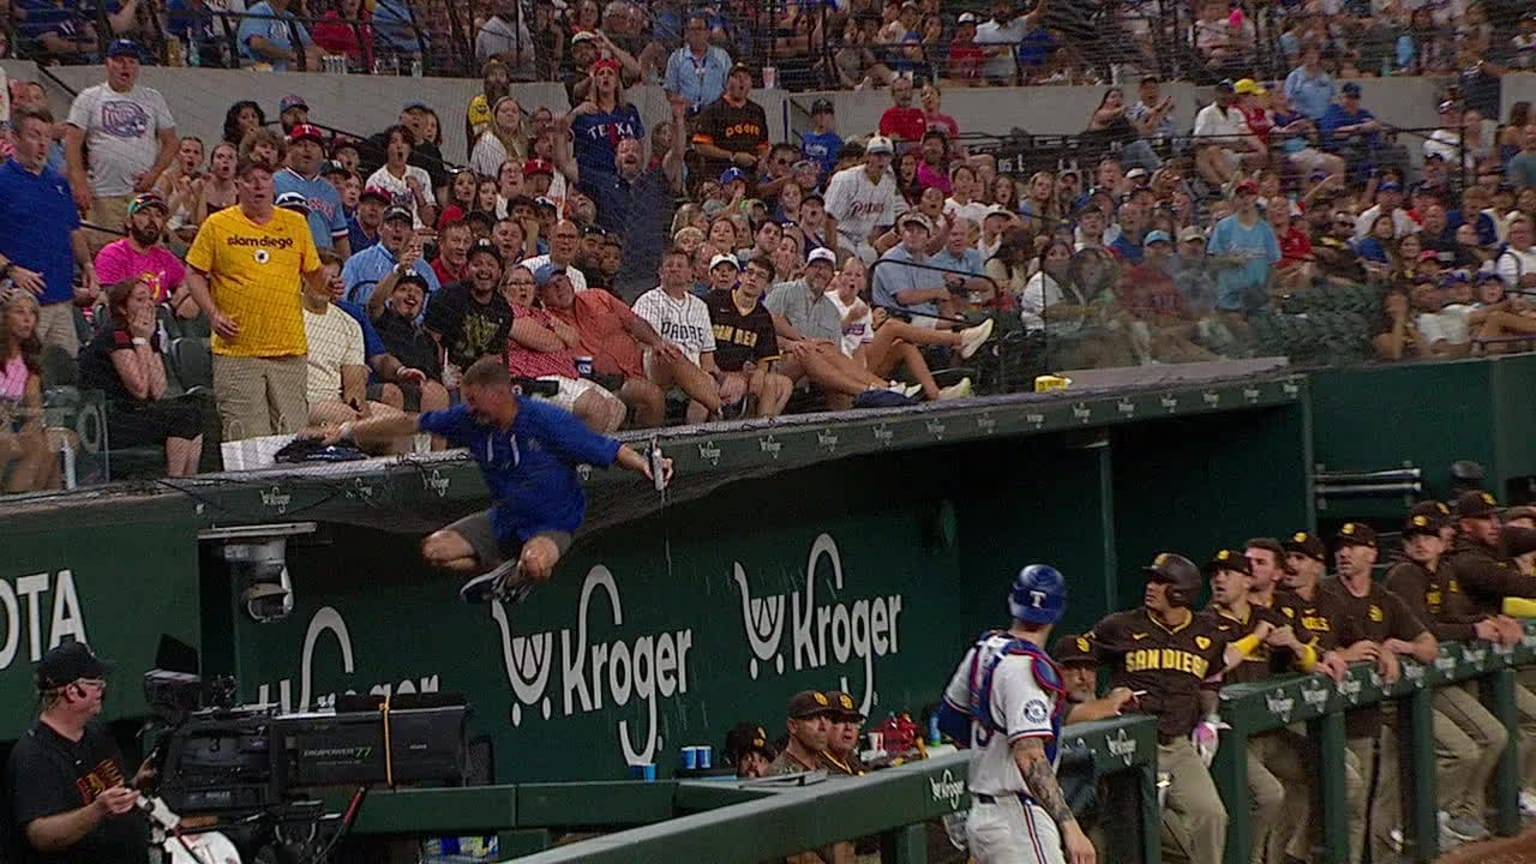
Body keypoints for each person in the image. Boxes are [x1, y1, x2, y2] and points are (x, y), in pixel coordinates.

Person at [308, 355, 671, 601]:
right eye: (465, 400)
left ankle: (516, 581)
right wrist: (343, 431)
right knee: (435, 551)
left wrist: (646, 466)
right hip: (503, 518)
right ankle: (500, 569)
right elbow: (408, 422)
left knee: (536, 563)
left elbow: (609, 449)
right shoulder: (469, 420)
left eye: (475, 400)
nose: (469, 408)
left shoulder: (546, 420)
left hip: (552, 522)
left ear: (501, 395)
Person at [938, 564, 1096, 864]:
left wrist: (991, 762)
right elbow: (1029, 755)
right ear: (1058, 611)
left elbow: (951, 721)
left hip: (983, 819)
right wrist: (1070, 826)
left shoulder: (984, 649)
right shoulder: (1026, 669)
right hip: (1018, 818)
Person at [1088, 554, 1235, 864]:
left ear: (1181, 592)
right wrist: (1095, 705)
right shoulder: (1120, 626)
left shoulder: (1208, 632)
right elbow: (1078, 661)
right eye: (1151, 580)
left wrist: (1210, 719)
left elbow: (1211, 678)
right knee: (1135, 827)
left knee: (1212, 815)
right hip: (1132, 744)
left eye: (1160, 581)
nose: (1151, 587)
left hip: (1178, 744)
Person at [1382, 509, 1516, 845]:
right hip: (1405, 683)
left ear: (1441, 543)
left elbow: (1456, 615)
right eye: (1413, 539)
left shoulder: (1440, 572)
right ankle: (1423, 817)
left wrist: (1495, 619)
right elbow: (1424, 629)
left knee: (1495, 735)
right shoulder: (1405, 576)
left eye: (1427, 537)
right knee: (1463, 751)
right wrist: (1474, 628)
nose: (1421, 544)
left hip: (1432, 679)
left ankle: (1456, 814)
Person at [185, 153, 325, 441]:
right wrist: (212, 314)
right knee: (247, 439)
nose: (258, 186)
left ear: (273, 184)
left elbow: (314, 273)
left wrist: (329, 283)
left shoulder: (295, 224)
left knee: (293, 437)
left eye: (264, 179)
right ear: (238, 184)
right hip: (238, 350)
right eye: (250, 180)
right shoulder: (217, 224)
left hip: (288, 348)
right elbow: (194, 272)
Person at [1325, 522, 1439, 863]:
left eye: (1354, 546)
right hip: (1325, 718)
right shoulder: (1326, 593)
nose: (1344, 553)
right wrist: (1373, 649)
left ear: (1372, 553)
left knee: (1360, 805)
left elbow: (1430, 647)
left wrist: (1400, 645)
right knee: (1335, 804)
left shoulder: (1383, 599)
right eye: (1340, 547)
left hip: (1365, 718)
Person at [6, 641, 151, 864]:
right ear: (73, 691)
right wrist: (96, 811)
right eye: (96, 683)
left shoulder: (97, 734)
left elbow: (112, 792)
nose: (102, 689)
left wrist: (136, 784)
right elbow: (40, 834)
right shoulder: (33, 755)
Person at [1, 106, 101, 358]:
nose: (43, 143)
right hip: (22, 303)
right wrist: (11, 269)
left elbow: (73, 230)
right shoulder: (3, 181)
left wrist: (88, 266)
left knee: (66, 372)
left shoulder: (57, 183)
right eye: (34, 135)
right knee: (21, 376)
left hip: (62, 300)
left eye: (47, 136)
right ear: (13, 137)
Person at [79, 277, 204, 477]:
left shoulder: (146, 333)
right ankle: (176, 485)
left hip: (134, 411)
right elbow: (139, 389)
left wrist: (145, 339)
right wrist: (140, 340)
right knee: (182, 419)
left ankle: (189, 482)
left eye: (149, 299)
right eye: (139, 299)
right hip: (107, 418)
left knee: (194, 412)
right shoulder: (115, 334)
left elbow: (158, 389)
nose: (148, 305)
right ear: (122, 308)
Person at [64, 40, 178, 252]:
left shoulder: (153, 98)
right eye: (119, 61)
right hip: (104, 192)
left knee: (148, 252)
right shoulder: (89, 97)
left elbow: (171, 141)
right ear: (107, 64)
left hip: (143, 194)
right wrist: (78, 182)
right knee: (106, 251)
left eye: (131, 61)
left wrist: (154, 174)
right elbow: (72, 141)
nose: (125, 66)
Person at [537, 261, 668, 428]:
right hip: (602, 382)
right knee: (651, 394)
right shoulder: (546, 321)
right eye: (550, 286)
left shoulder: (598, 296)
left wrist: (657, 343)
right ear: (541, 296)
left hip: (638, 367)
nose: (559, 288)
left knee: (672, 355)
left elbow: (633, 322)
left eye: (561, 281)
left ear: (570, 281)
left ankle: (711, 410)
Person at [423, 238, 514, 383]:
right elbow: (430, 341)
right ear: (466, 269)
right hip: (439, 372)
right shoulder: (447, 296)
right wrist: (440, 373)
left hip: (475, 376)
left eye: (490, 265)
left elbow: (490, 356)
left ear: (500, 273)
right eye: (477, 264)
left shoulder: (503, 311)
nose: (484, 270)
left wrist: (470, 379)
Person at [94, 193, 193, 320]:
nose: (152, 220)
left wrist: (186, 296)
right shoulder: (112, 254)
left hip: (157, 321)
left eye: (158, 215)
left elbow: (188, 283)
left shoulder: (164, 257)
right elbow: (112, 302)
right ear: (129, 222)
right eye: (144, 213)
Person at [0, 290, 60, 493]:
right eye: (19, 312)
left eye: (32, 313)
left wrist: (34, 421)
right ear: (4, 316)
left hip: (16, 425)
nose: (27, 319)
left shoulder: (30, 360)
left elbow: (33, 404)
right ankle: (17, 505)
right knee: (34, 445)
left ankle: (45, 504)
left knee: (53, 442)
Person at [345, 205, 441, 312]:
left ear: (412, 234)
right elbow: (342, 304)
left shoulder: (424, 270)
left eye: (403, 225)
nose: (397, 229)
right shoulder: (356, 264)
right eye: (391, 224)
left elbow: (436, 310)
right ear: (380, 229)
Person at [274, 124, 350, 257]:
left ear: (322, 153)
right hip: (286, 257)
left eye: (313, 145)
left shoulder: (330, 190)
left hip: (324, 262)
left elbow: (340, 237)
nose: (307, 149)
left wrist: (345, 267)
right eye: (301, 145)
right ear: (290, 149)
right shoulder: (275, 181)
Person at [691, 63, 769, 182]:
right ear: (728, 82)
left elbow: (763, 145)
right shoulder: (713, 110)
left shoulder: (757, 111)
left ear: (751, 84)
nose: (742, 81)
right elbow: (701, 146)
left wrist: (762, 161)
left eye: (746, 78)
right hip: (720, 176)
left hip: (750, 176)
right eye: (737, 77)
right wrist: (733, 156)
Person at [663, 14, 732, 112]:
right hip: (686, 115)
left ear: (707, 33)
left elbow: (730, 87)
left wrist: (719, 105)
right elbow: (670, 89)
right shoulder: (677, 57)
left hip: (716, 115)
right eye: (692, 29)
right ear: (686, 33)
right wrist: (681, 103)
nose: (695, 33)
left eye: (699, 29)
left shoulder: (722, 56)